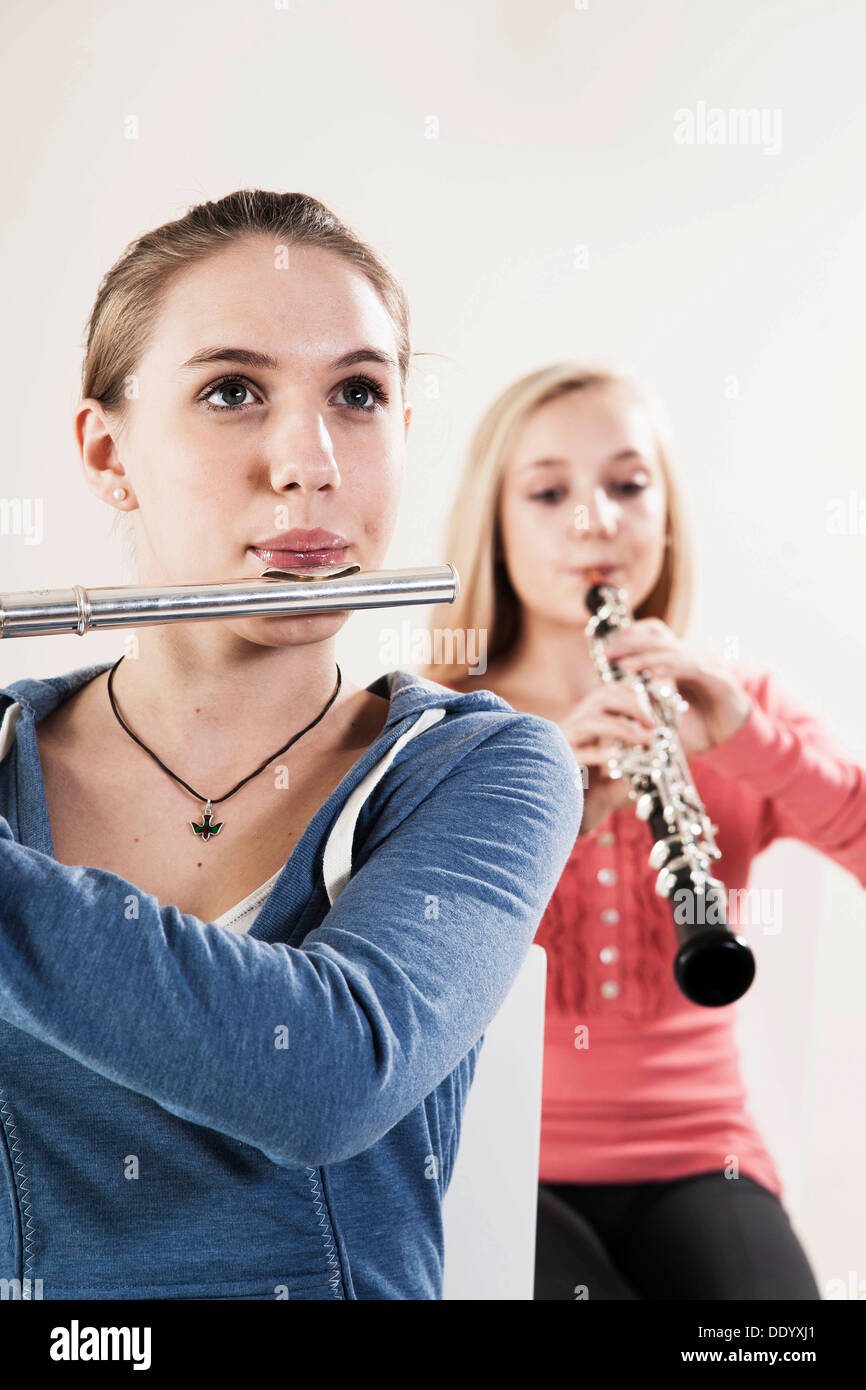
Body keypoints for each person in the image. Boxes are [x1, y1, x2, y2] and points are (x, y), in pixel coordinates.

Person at [0, 192, 583, 1301]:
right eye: (233, 391)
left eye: (357, 395)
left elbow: (328, 1078)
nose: (308, 461)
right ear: (105, 448)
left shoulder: (478, 767)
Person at [420, 361, 866, 1300]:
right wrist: (550, 798)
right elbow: (403, 952)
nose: (597, 521)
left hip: (704, 1155)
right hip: (499, 1152)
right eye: (549, 492)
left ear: (667, 512)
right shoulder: (441, 722)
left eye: (628, 484)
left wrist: (749, 739)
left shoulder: (744, 710)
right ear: (494, 522)